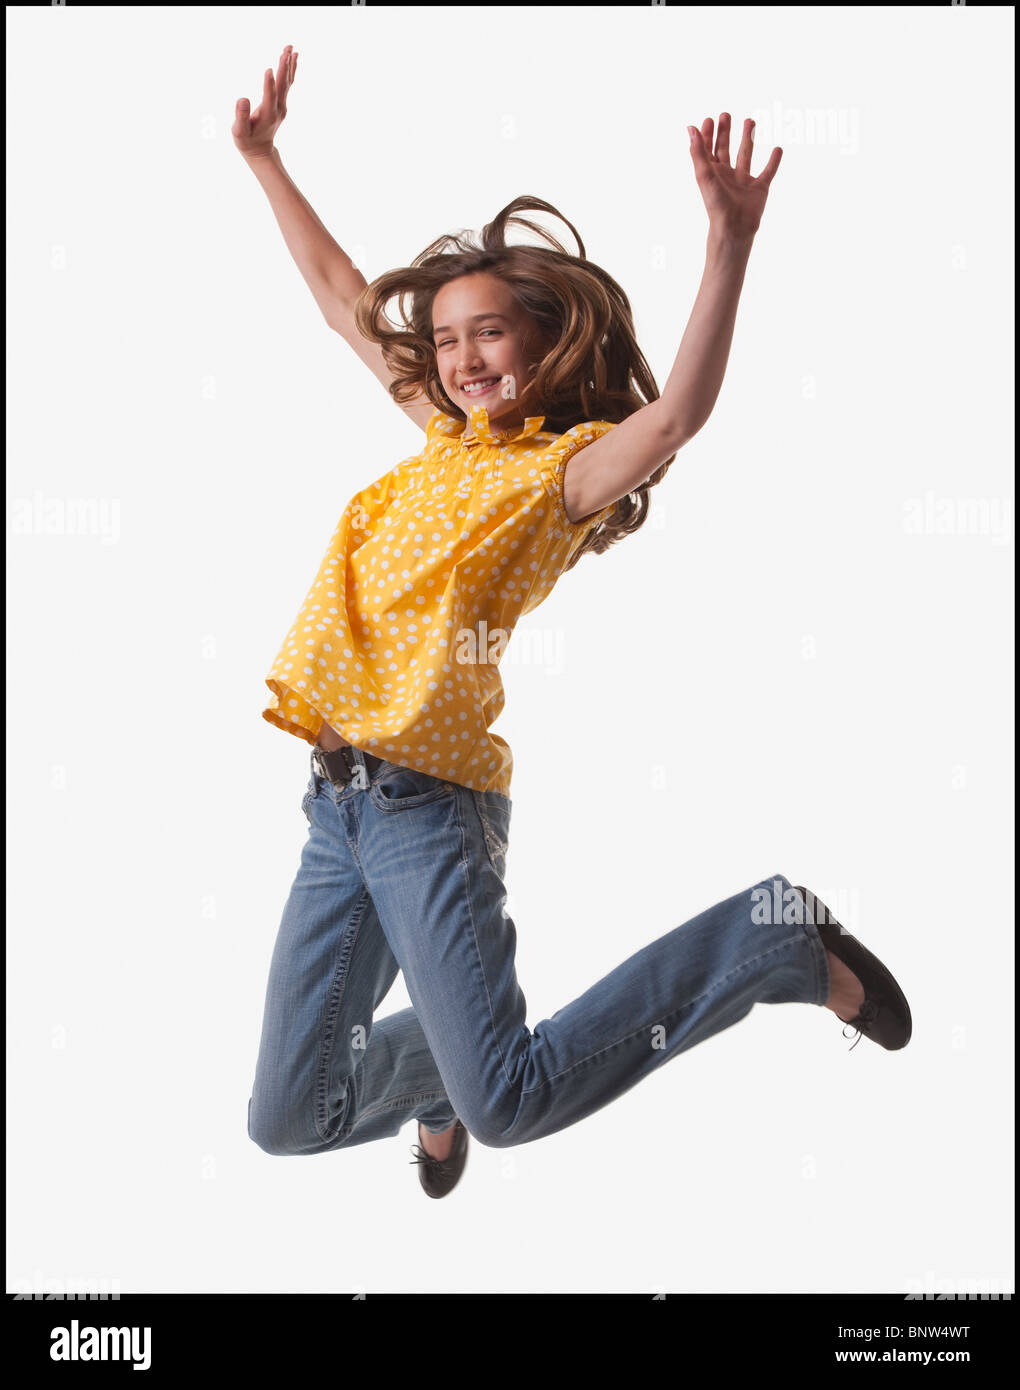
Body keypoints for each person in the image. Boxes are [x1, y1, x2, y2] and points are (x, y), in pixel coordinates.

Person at [236, 48, 912, 1200]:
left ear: (543, 346)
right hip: (334, 806)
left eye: (488, 335)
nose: (460, 360)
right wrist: (264, 157)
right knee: (292, 1116)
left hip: (427, 811)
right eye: (447, 342)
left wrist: (728, 249)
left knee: (514, 1101)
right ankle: (440, 1081)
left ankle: (773, 937)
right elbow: (344, 295)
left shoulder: (553, 477)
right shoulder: (445, 441)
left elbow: (678, 418)